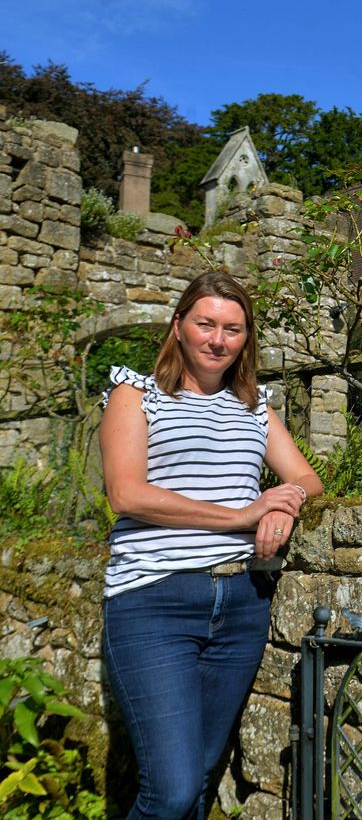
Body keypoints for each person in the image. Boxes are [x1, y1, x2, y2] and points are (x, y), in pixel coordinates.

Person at [99, 270, 323, 820]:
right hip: (154, 601)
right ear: (178, 326)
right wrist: (242, 516)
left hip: (242, 605)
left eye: (232, 329)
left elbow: (307, 478)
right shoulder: (135, 394)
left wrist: (283, 503)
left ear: (246, 339)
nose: (218, 340)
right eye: (206, 324)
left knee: (199, 781)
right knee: (171, 791)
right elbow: (126, 493)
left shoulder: (254, 407)